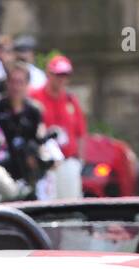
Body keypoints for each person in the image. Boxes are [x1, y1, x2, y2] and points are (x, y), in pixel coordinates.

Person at [31, 54, 86, 199]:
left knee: (70, 203)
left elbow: (80, 133)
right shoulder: (35, 96)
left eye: (66, 75)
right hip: (45, 163)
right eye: (58, 75)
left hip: (68, 161)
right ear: (49, 74)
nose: (62, 79)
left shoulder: (70, 100)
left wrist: (79, 161)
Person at [0, 62, 45, 185]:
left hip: (26, 170)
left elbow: (37, 138)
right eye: (12, 81)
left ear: (27, 84)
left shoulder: (34, 110)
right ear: (7, 82)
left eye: (20, 82)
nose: (15, 87)